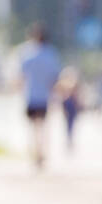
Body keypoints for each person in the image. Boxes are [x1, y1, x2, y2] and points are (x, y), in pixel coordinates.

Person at [18, 22, 62, 169]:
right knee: (43, 126)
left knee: (33, 128)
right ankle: (42, 152)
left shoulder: (27, 53)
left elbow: (21, 75)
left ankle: (36, 153)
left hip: (31, 95)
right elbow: (54, 78)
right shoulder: (51, 54)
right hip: (44, 96)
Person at [58, 66, 81, 153]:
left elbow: (76, 96)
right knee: (69, 124)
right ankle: (69, 140)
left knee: (70, 123)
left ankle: (69, 139)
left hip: (70, 106)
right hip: (68, 105)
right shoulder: (67, 84)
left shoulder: (70, 83)